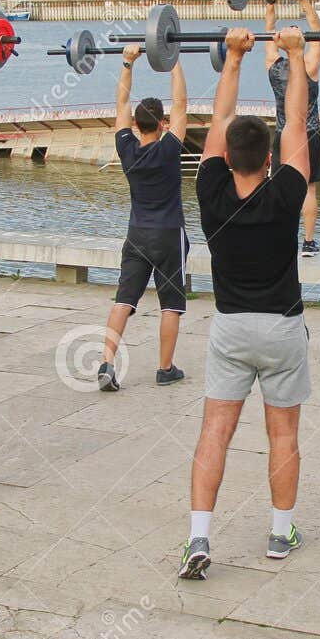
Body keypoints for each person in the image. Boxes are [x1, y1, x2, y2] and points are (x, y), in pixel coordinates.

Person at [179, 25, 312, 580]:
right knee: (282, 434)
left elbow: (214, 125)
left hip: (231, 330)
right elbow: (296, 125)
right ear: (268, 160)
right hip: (282, 330)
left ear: (229, 158)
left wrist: (233, 58)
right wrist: (297, 56)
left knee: (215, 432)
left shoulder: (209, 192)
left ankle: (198, 538)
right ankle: (280, 533)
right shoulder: (286, 193)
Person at [98, 41, 189, 391]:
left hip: (137, 234)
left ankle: (107, 361)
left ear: (136, 125)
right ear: (162, 124)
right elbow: (182, 104)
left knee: (124, 300)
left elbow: (121, 103)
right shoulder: (169, 147)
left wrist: (127, 62)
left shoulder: (127, 149)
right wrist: (173, 60)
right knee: (171, 304)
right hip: (168, 235)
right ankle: (165, 369)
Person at [262, 0, 320, 255]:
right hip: (309, 133)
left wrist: (270, 4)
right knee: (308, 189)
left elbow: (268, 31)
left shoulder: (273, 66)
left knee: (279, 188)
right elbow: (318, 32)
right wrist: (302, 1)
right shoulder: (309, 63)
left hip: (283, 134)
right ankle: (308, 243)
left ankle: (278, 238)